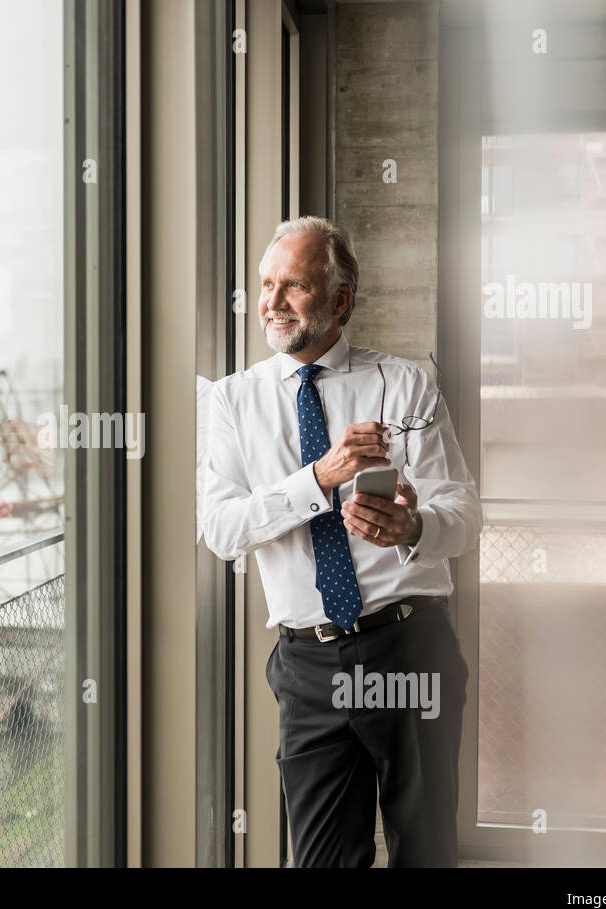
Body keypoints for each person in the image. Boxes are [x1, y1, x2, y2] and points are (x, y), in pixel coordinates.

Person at [201, 215, 482, 867]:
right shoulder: (233, 402)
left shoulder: (405, 384)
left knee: (427, 851)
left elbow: (463, 513)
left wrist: (414, 526)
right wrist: (320, 477)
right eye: (266, 284)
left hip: (409, 647)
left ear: (340, 300)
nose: (270, 302)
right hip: (309, 666)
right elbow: (222, 528)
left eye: (292, 286)